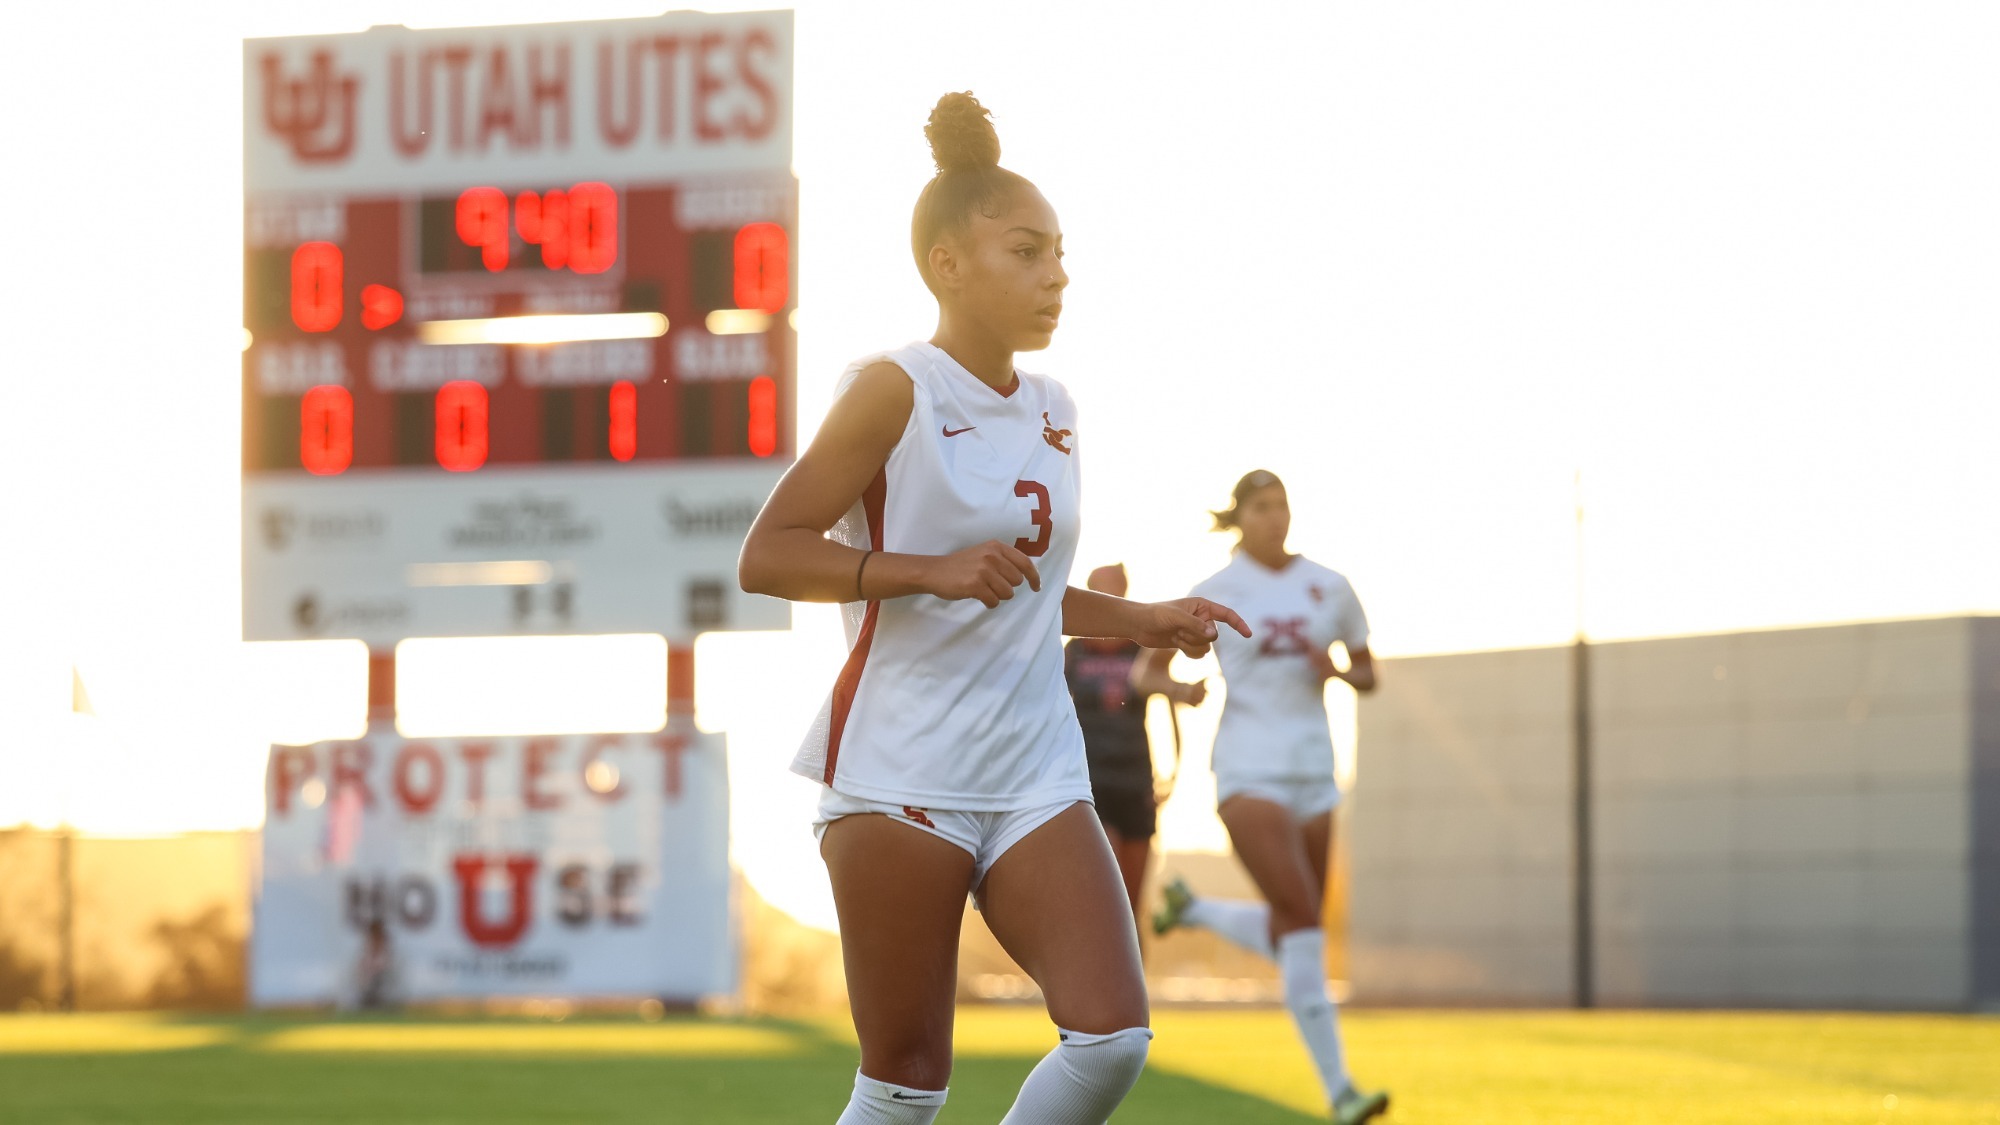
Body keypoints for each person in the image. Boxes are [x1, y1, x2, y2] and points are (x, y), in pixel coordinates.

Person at [737, 92, 1249, 1125]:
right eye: (1025, 250)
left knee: (1110, 1041)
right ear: (946, 263)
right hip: (897, 774)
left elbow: (1013, 591)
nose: (1054, 274)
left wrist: (1141, 618)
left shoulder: (1057, 407)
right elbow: (769, 556)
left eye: (1059, 253)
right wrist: (919, 569)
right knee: (903, 1088)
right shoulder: (893, 389)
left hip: (1033, 768)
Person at [1142, 469, 1389, 1125]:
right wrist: (1182, 692)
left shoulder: (1330, 585)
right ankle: (1340, 1090)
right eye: (1262, 506)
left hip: (1314, 768)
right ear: (1240, 516)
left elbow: (1368, 672)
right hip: (1248, 769)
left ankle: (1192, 909)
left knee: (1294, 921)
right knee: (1303, 915)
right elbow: (1148, 671)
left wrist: (1335, 668)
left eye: (1282, 505)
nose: (1275, 517)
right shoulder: (1215, 591)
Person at [1063, 563, 1206, 929]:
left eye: (1116, 590)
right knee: (1104, 876)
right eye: (1102, 591)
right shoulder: (1074, 652)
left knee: (1131, 899)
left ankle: (1132, 968)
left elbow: (1167, 704)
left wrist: (1173, 770)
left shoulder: (1140, 649)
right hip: (1091, 777)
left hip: (1136, 776)